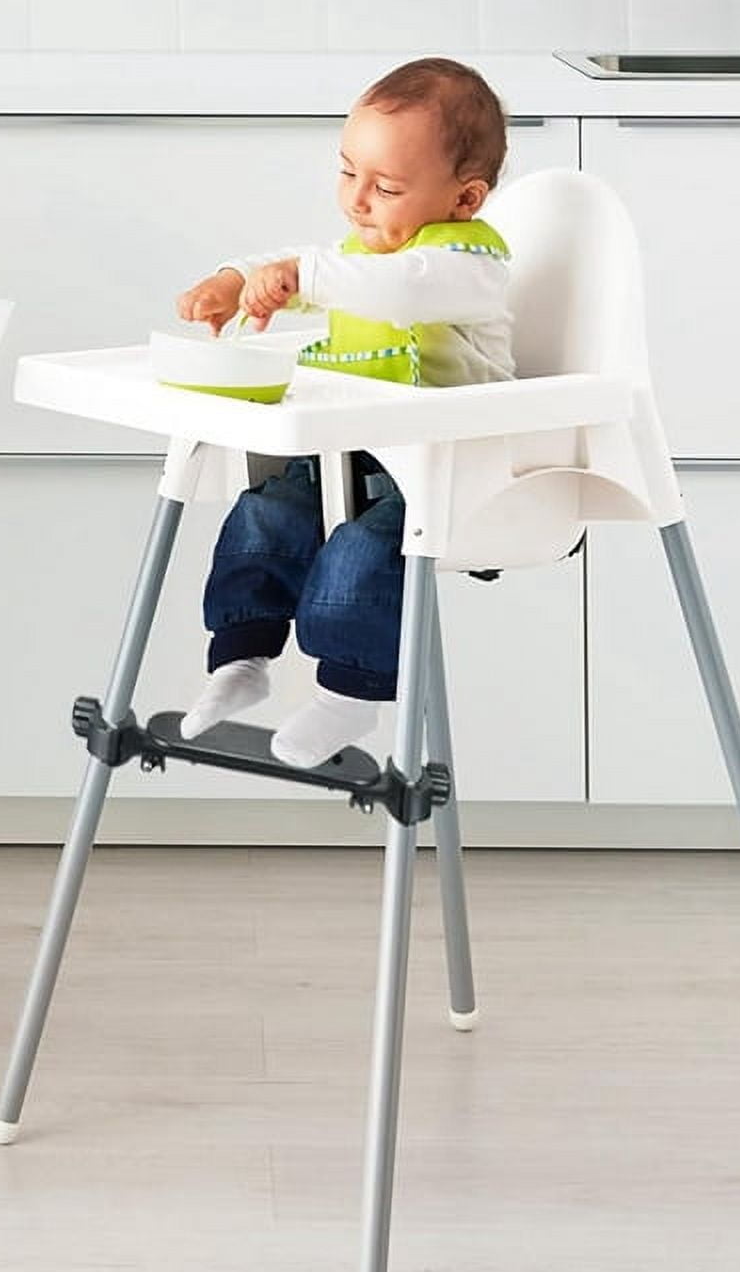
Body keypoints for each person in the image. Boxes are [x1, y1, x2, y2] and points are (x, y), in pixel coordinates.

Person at [174, 57, 512, 769]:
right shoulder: (360, 252)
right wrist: (240, 282)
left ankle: (349, 695)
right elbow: (316, 264)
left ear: (465, 198)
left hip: (445, 469)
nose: (358, 200)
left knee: (360, 550)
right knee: (265, 512)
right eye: (347, 171)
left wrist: (303, 279)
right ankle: (241, 655)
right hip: (352, 451)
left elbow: (396, 290)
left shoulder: (466, 265)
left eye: (386, 186)